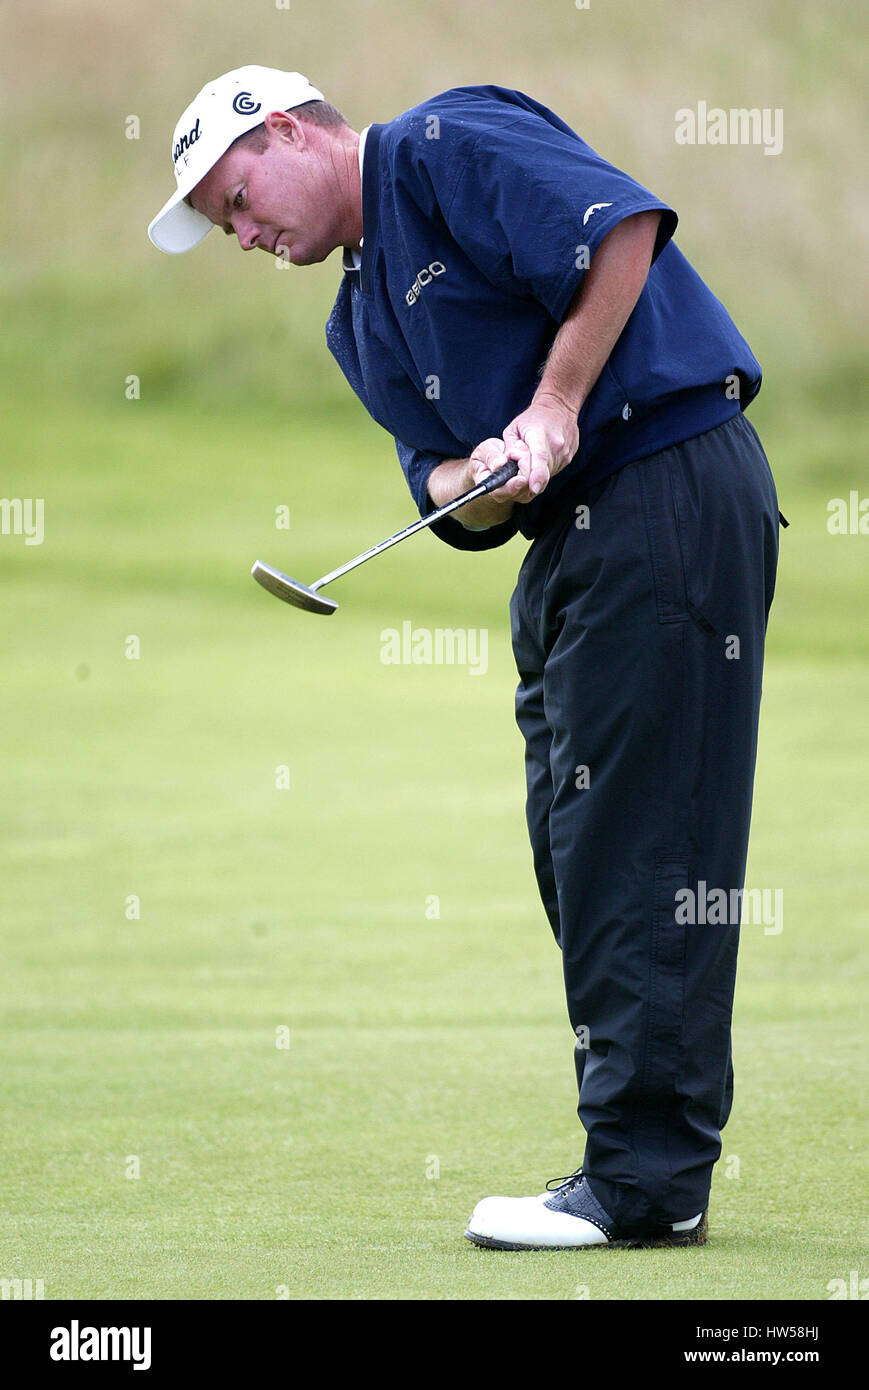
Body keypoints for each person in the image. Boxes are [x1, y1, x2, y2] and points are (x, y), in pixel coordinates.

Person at [149, 65, 783, 1250]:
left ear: (286, 130)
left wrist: (551, 404)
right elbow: (443, 490)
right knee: (579, 852)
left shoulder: (442, 142)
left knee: (639, 845)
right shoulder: (358, 320)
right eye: (223, 226)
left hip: (666, 482)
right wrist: (480, 478)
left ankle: (644, 1183)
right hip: (566, 546)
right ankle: (647, 1159)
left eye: (235, 199)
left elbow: (623, 229)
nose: (241, 235)